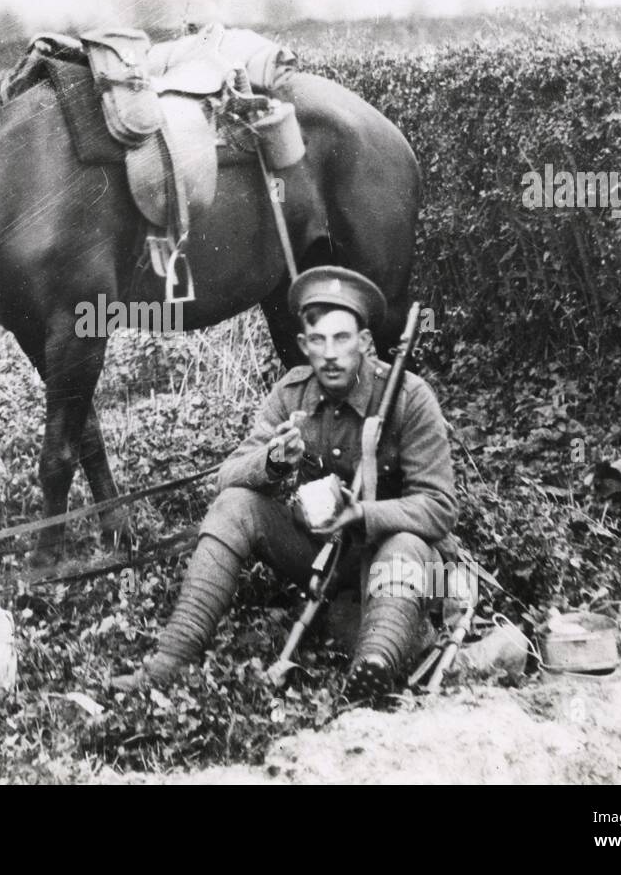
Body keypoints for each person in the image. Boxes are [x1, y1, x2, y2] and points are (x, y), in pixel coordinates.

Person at [114, 267, 460, 702]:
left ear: (367, 343)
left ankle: (373, 668)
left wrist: (364, 514)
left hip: (392, 558)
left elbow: (439, 506)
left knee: (406, 545)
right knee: (234, 505)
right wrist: (274, 462)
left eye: (342, 339)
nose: (330, 354)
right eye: (318, 341)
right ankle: (171, 661)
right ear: (303, 346)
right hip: (319, 555)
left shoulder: (410, 397)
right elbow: (228, 477)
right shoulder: (291, 394)